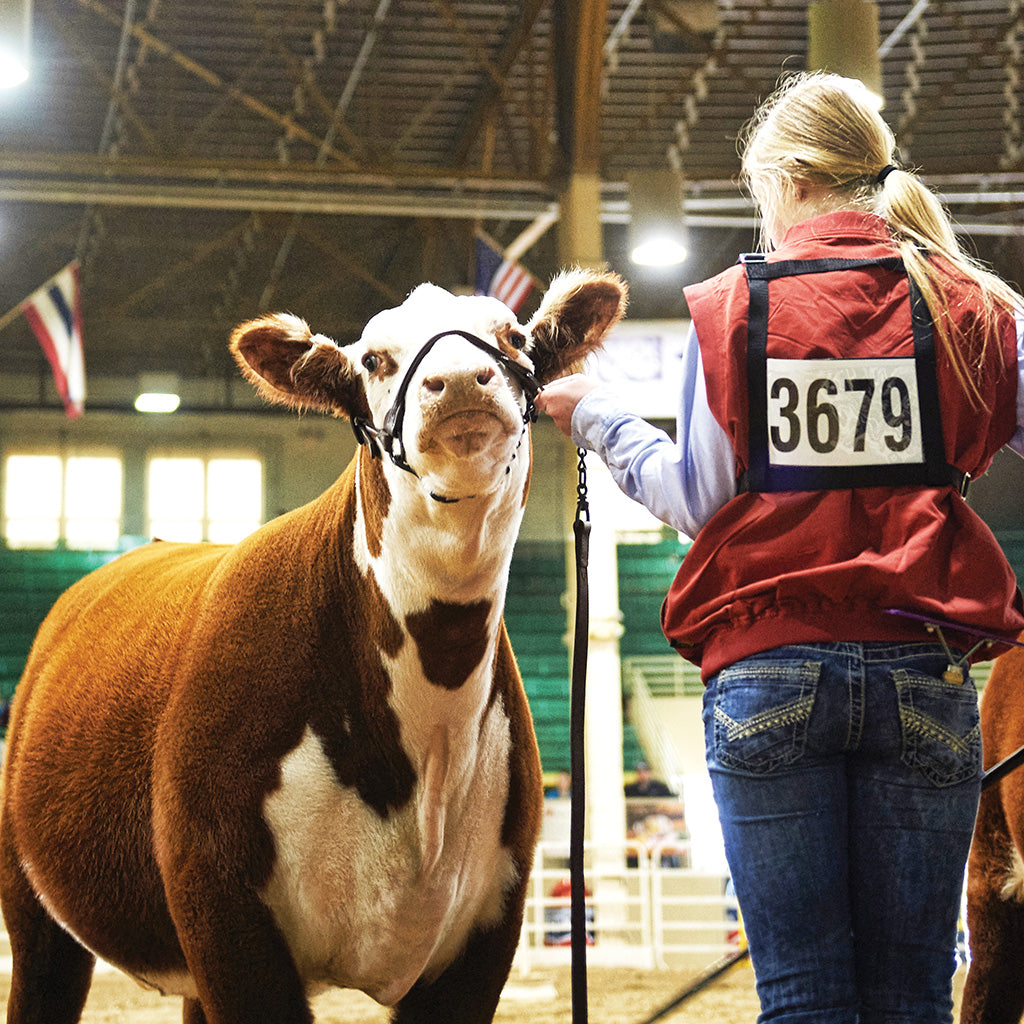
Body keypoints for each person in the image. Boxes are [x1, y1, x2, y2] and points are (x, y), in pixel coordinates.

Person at [536, 71, 1024, 1024]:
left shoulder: (735, 308)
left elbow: (698, 499)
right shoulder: (971, 306)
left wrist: (598, 417)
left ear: (791, 177)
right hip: (924, 670)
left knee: (802, 997)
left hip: (767, 671)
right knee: (916, 997)